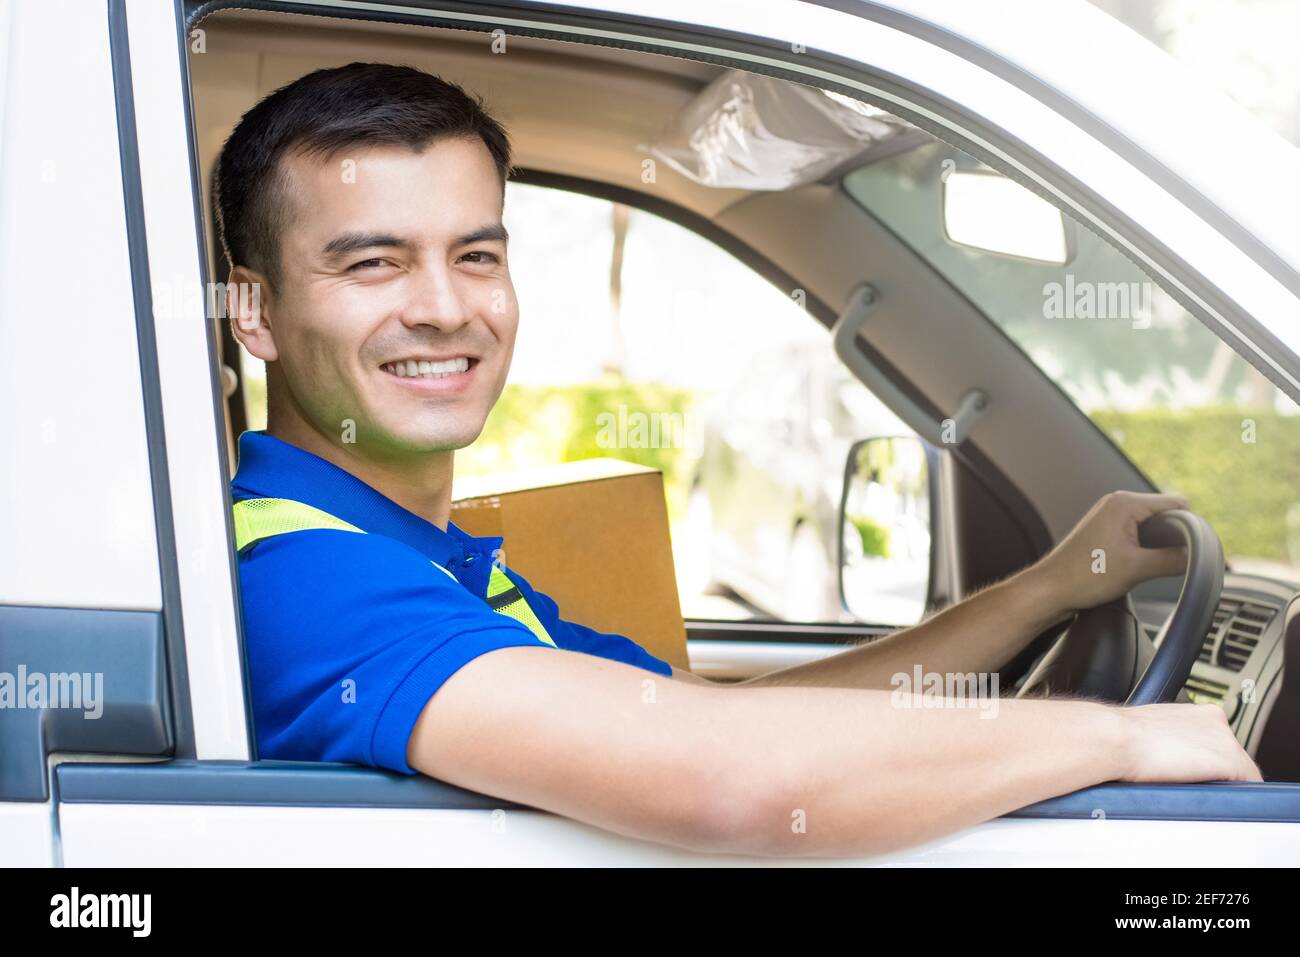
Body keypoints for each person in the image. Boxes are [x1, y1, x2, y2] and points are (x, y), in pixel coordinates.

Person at [216, 62, 1260, 858]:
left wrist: (1045, 590)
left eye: (476, 254)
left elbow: (727, 723)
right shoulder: (301, 579)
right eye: (373, 263)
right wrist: (1123, 746)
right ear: (254, 309)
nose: (444, 308)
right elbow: (730, 780)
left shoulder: (415, 557)